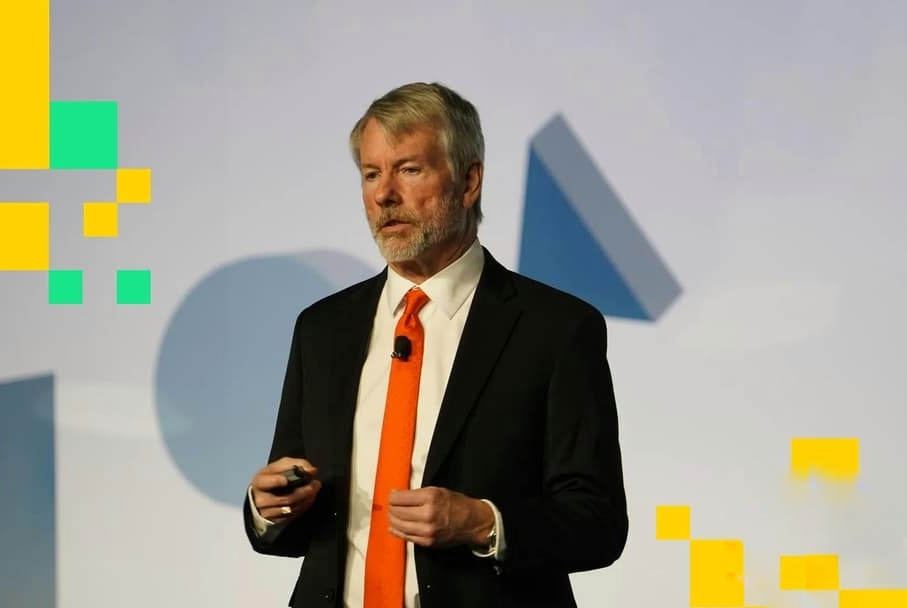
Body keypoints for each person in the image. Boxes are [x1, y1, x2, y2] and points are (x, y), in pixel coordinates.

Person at [244, 81, 628, 607]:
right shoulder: (322, 329)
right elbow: (291, 519)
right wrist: (268, 509)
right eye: (371, 174)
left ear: (469, 182)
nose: (384, 195)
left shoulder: (556, 329)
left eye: (408, 170)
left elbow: (597, 523)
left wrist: (482, 523)